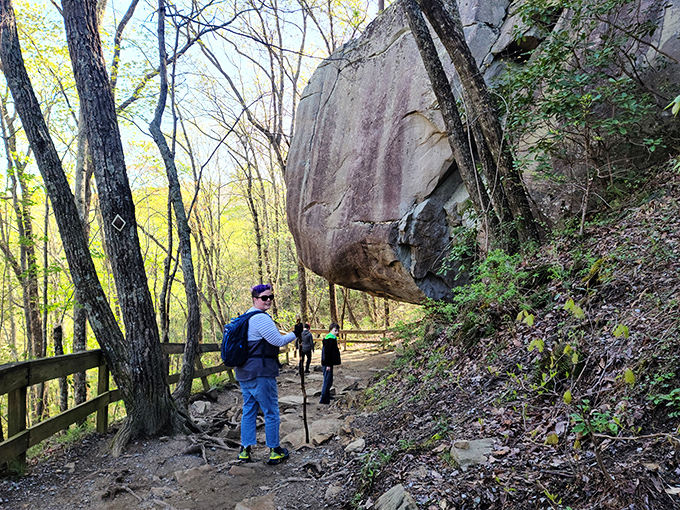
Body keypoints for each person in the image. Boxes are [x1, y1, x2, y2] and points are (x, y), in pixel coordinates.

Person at [236, 284, 296, 465]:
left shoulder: (244, 317)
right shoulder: (260, 319)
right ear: (255, 299)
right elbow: (278, 340)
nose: (268, 300)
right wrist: (296, 333)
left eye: (270, 297)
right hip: (260, 372)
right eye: (264, 297)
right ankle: (275, 450)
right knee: (271, 411)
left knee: (249, 410)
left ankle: (244, 451)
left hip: (244, 372)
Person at [319, 322, 341, 404]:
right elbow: (327, 353)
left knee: (329, 379)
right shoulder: (329, 339)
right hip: (327, 363)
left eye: (337, 331)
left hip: (329, 362)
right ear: (331, 330)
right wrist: (327, 364)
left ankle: (327, 394)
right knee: (327, 380)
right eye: (335, 330)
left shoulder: (332, 338)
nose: (337, 332)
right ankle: (323, 398)